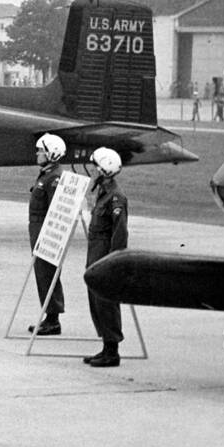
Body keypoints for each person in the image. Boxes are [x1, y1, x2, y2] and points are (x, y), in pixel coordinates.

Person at [83, 148, 127, 368]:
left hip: (105, 260)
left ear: (103, 169)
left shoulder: (116, 198)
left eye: (94, 166)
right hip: (95, 258)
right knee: (96, 302)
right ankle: (105, 347)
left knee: (106, 302)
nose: (91, 170)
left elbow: (119, 235)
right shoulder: (102, 193)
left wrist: (114, 264)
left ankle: (112, 351)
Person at [26, 133, 67, 335]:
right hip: (37, 228)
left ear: (52, 153)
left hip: (45, 230)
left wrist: (49, 236)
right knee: (42, 274)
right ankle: (50, 316)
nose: (37, 154)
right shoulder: (47, 173)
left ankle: (53, 319)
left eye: (41, 151)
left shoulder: (54, 178)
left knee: (46, 273)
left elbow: (55, 209)